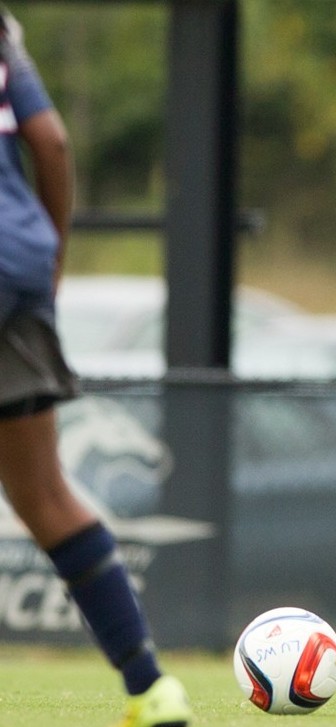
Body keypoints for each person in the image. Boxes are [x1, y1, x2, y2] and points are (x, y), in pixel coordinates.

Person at [0, 9, 192, 727]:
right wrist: (45, 258)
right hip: (17, 264)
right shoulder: (2, 30)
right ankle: (151, 686)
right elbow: (50, 141)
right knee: (43, 493)